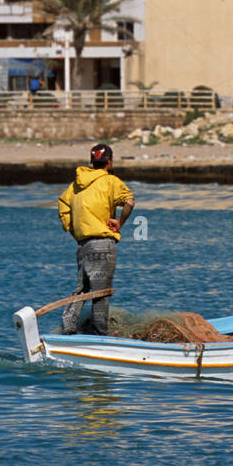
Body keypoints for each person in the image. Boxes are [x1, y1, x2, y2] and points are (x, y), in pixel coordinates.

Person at [57, 143, 135, 335]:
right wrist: (119, 223)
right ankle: (99, 336)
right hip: (102, 244)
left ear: (93, 162)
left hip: (83, 245)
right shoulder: (111, 181)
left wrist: (74, 229)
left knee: (81, 289)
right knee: (101, 292)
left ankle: (68, 329)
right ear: (109, 161)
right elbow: (129, 201)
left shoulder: (76, 184)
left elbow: (63, 204)